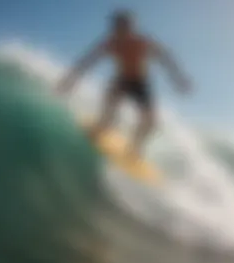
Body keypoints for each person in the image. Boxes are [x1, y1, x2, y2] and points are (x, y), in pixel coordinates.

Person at [55, 9, 193, 158]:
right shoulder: (110, 43)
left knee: (150, 122)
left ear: (131, 27)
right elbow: (87, 61)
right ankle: (102, 126)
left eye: (123, 26)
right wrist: (70, 80)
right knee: (109, 116)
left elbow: (166, 57)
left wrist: (178, 79)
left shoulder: (142, 42)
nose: (118, 29)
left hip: (140, 83)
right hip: (120, 81)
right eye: (116, 26)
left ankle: (134, 147)